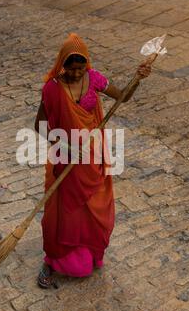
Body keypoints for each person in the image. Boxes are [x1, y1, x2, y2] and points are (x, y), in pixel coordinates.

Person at [34, 33, 151, 288]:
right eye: (71, 69)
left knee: (95, 207)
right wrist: (64, 146)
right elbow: (39, 125)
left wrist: (137, 80)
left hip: (92, 157)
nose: (76, 74)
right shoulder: (51, 88)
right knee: (64, 211)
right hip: (66, 159)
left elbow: (123, 97)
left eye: (80, 68)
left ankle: (88, 251)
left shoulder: (94, 78)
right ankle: (53, 259)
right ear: (62, 65)